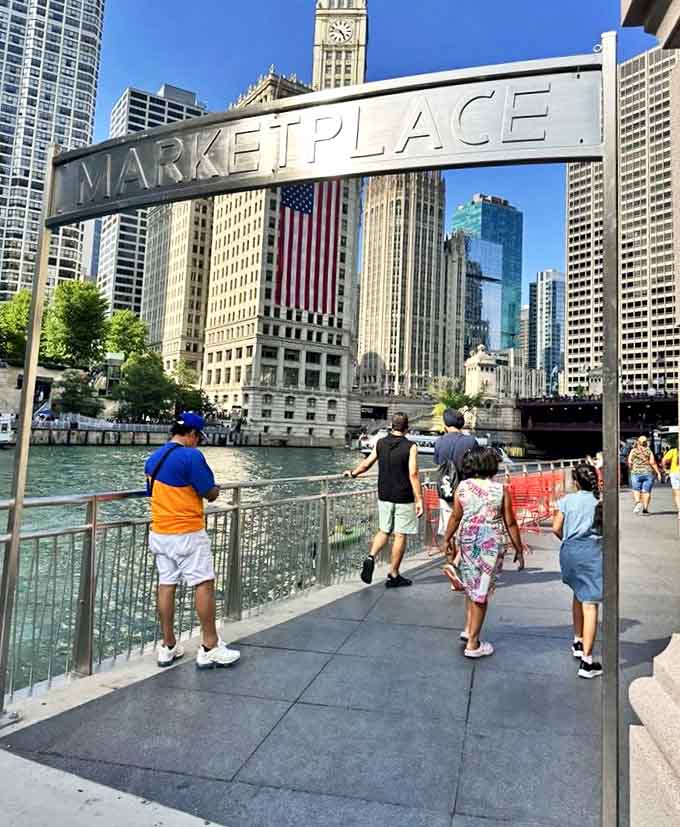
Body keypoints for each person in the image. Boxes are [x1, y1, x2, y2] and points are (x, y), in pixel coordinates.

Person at [145, 412, 240, 669]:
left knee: (166, 584)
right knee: (203, 584)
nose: (198, 442)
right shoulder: (191, 456)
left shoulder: (153, 458)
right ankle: (209, 646)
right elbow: (208, 492)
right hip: (187, 532)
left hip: (159, 532)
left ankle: (168, 646)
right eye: (198, 437)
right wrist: (216, 489)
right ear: (192, 434)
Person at [440, 447, 523, 659]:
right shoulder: (501, 490)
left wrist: (447, 538)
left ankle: (469, 628)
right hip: (490, 545)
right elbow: (510, 522)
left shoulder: (463, 487)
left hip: (467, 540)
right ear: (491, 466)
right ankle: (473, 644)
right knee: (482, 593)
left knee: (471, 586)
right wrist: (519, 548)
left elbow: (456, 517)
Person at [344, 412, 424, 588]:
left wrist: (353, 473)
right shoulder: (411, 446)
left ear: (391, 426)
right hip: (403, 496)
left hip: (384, 494)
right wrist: (419, 499)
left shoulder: (380, 443)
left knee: (384, 530)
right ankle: (393, 574)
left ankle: (370, 556)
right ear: (406, 427)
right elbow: (413, 474)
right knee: (400, 534)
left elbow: (367, 464)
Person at [552, 464, 603, 679]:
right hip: (591, 554)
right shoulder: (599, 503)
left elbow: (556, 528)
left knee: (577, 594)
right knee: (590, 605)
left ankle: (578, 640)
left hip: (569, 553)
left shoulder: (566, 501)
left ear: (575, 482)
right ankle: (587, 662)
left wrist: (568, 540)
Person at [432, 408, 477, 553]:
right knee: (465, 526)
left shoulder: (439, 442)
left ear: (445, 424)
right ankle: (463, 558)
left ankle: (451, 560)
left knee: (448, 526)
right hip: (466, 490)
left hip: (446, 489)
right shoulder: (471, 441)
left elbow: (438, 462)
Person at [628, 435, 661, 514]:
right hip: (648, 473)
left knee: (636, 489)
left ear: (638, 442)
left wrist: (631, 468)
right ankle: (645, 509)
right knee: (646, 491)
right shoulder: (649, 451)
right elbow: (652, 462)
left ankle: (638, 502)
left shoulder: (633, 451)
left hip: (636, 473)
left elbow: (629, 461)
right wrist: (658, 473)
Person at [662, 442, 680, 518]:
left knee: (677, 494)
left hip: (675, 473)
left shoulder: (673, 451)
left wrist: (665, 470)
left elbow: (664, 460)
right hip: (675, 474)